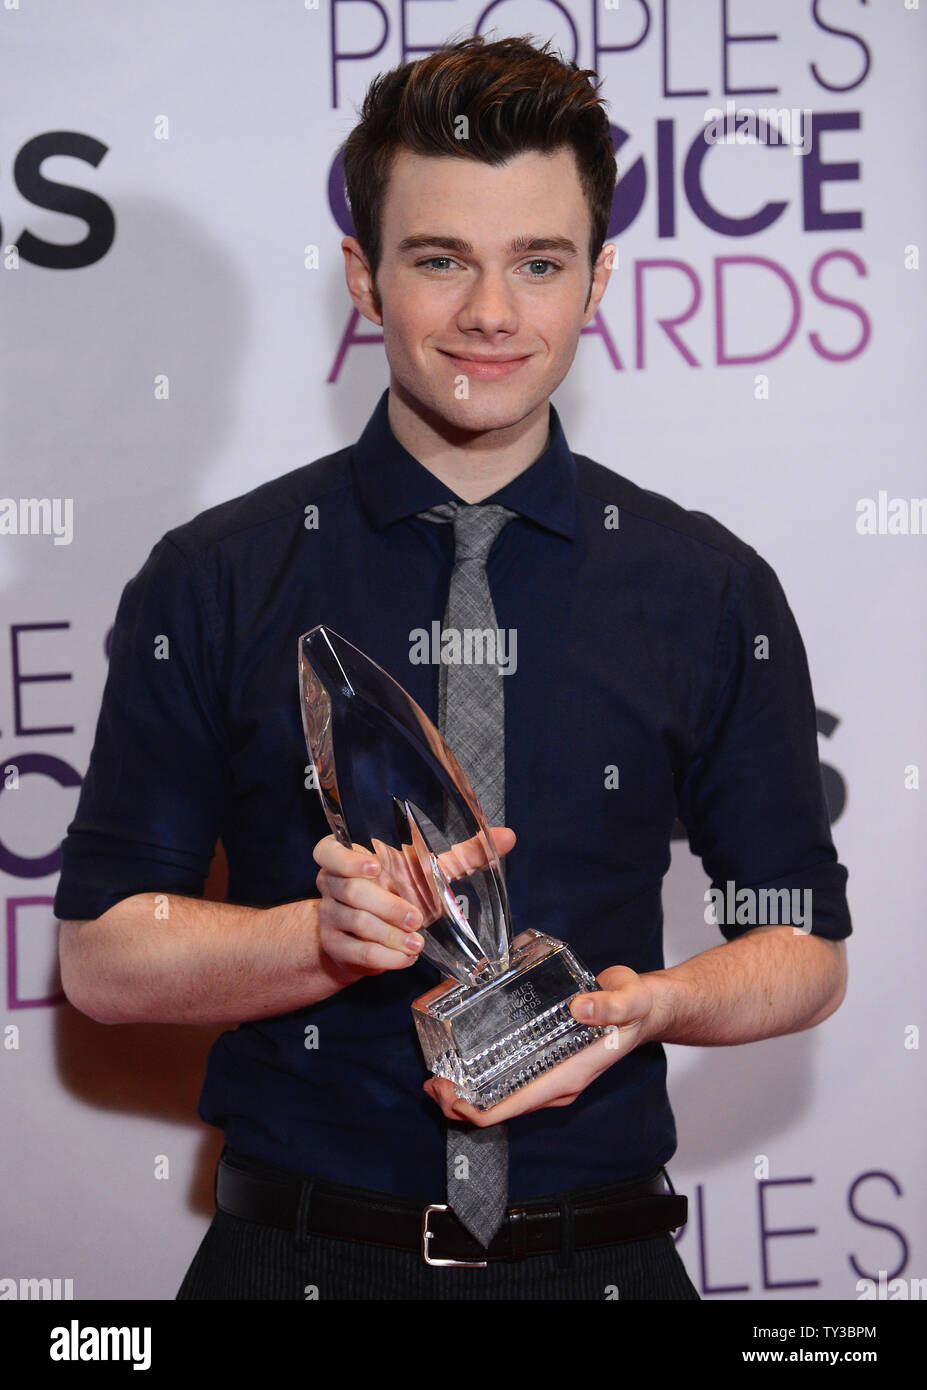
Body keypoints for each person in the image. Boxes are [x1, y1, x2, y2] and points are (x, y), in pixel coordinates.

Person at [55, 34, 851, 1301]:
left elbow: (803, 944)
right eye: (441, 260)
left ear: (599, 281)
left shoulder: (705, 587)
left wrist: (652, 1007)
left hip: (606, 1266)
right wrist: (311, 942)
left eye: (539, 262)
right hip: (297, 1261)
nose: (491, 312)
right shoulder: (216, 576)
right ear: (366, 280)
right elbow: (100, 959)